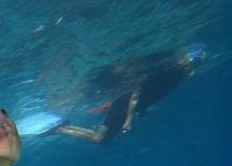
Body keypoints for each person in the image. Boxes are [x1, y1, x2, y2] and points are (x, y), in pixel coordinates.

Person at [52, 47, 201, 145]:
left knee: (101, 139)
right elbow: (138, 90)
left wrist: (142, 109)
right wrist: (128, 120)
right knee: (100, 139)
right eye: (191, 64)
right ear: (186, 62)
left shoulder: (175, 76)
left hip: (127, 105)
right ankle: (59, 129)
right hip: (123, 104)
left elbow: (152, 94)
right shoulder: (169, 72)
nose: (190, 69)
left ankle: (62, 128)